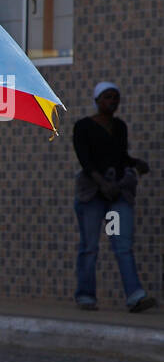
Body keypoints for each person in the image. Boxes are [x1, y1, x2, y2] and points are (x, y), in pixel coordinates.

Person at [72, 82, 154, 312]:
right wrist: (101, 183)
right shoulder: (84, 126)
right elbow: (85, 160)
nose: (113, 102)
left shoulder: (120, 127)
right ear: (97, 100)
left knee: (121, 244)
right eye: (108, 97)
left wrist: (136, 163)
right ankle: (86, 295)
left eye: (116, 98)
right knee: (90, 246)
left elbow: (120, 157)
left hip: (116, 195)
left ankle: (135, 297)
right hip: (92, 197)